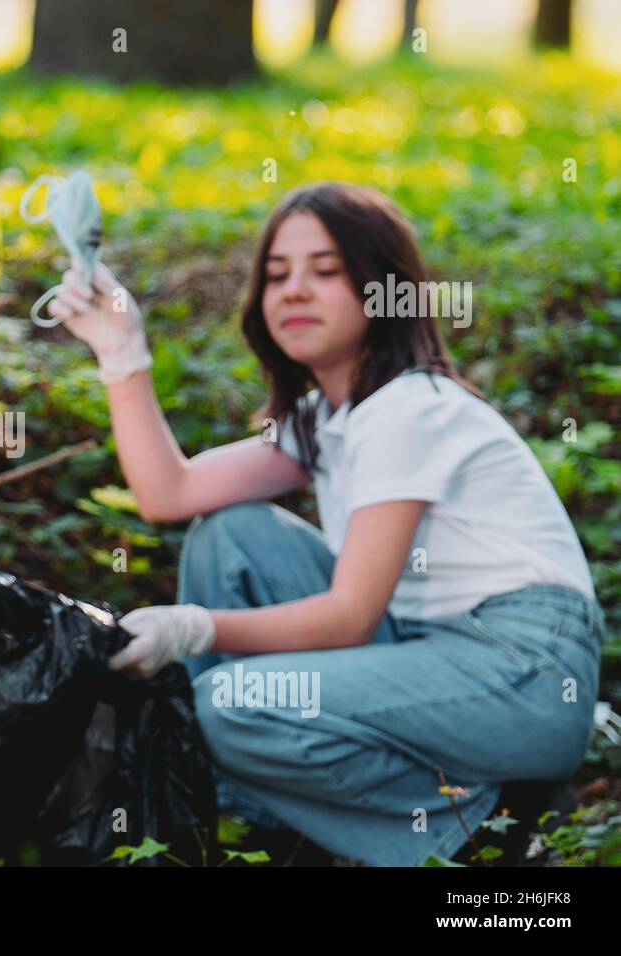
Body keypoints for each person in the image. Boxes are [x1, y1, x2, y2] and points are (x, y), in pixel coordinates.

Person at [45, 180, 604, 866]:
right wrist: (121, 352)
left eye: (327, 271)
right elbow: (170, 491)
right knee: (232, 535)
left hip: (521, 672)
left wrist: (193, 627)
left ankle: (486, 827)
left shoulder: (409, 409)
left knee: (232, 703)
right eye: (277, 275)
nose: (294, 291)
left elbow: (350, 619)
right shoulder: (328, 420)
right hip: (427, 650)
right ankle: (305, 811)